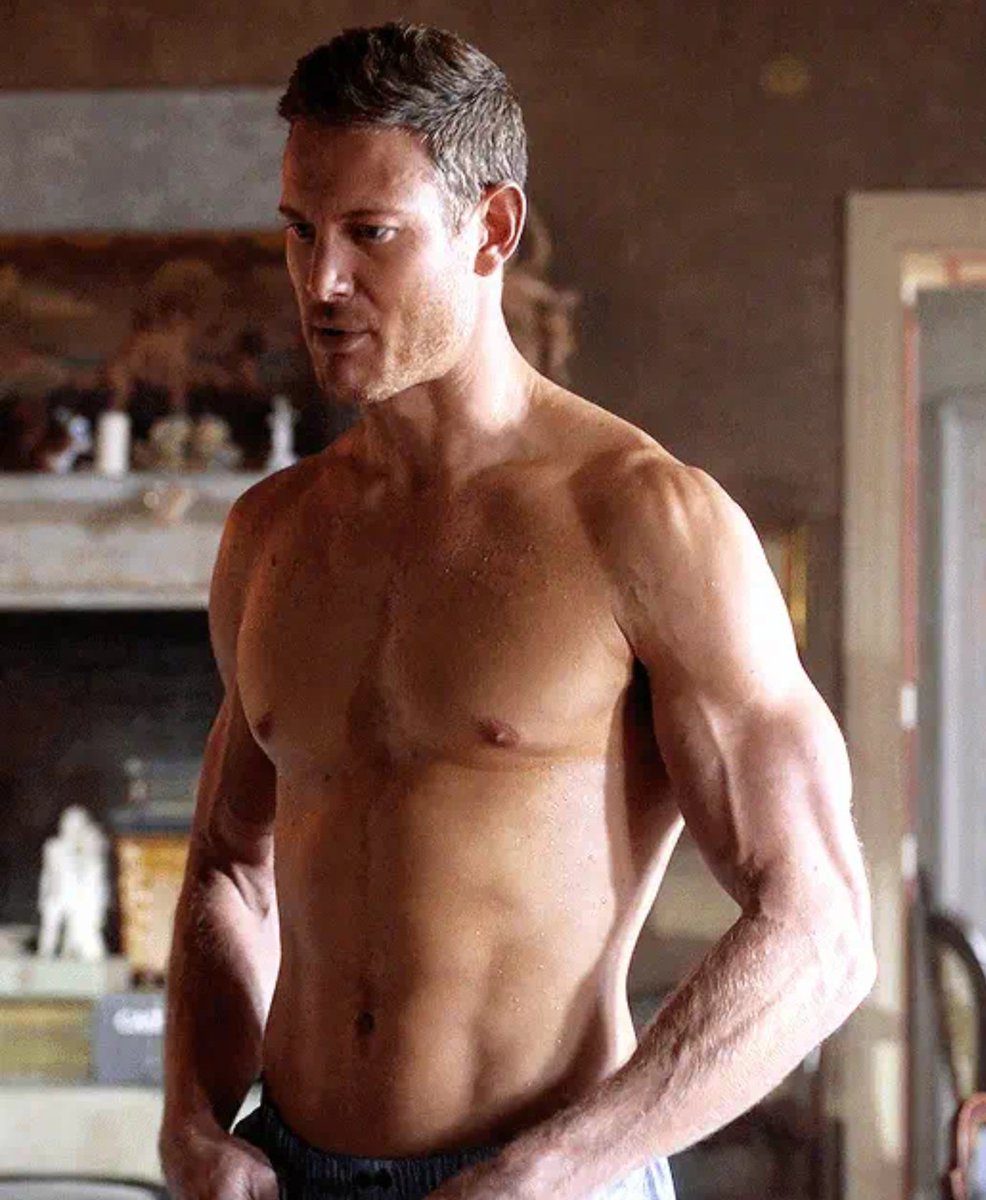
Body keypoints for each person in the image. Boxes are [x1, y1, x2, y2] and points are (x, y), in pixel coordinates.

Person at [158, 23, 875, 1200]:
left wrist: (556, 1169)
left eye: (369, 234)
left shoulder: (643, 519)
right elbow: (228, 872)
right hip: (285, 1169)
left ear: (490, 229)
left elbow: (820, 929)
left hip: (543, 1180)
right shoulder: (272, 534)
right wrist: (191, 1121)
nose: (319, 282)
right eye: (299, 231)